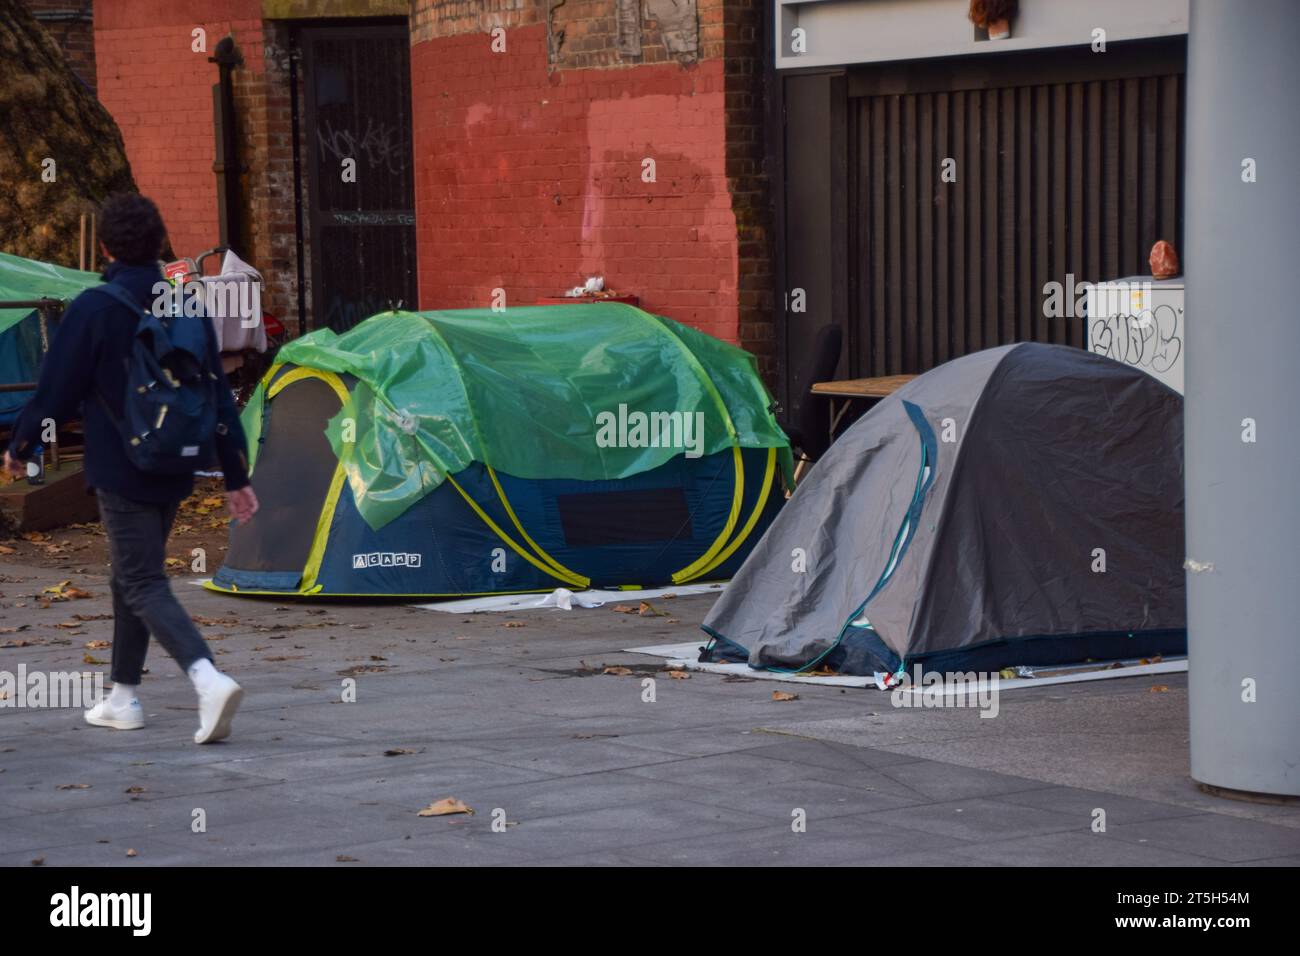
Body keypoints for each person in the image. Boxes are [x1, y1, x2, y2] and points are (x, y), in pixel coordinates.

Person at [2, 194, 258, 744]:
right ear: (160, 243)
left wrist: (20, 445)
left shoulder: (95, 308)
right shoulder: (184, 303)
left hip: (122, 466)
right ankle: (123, 696)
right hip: (177, 464)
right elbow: (215, 394)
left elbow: (55, 392)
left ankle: (206, 678)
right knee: (129, 574)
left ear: (104, 247)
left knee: (141, 579)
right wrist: (236, 475)